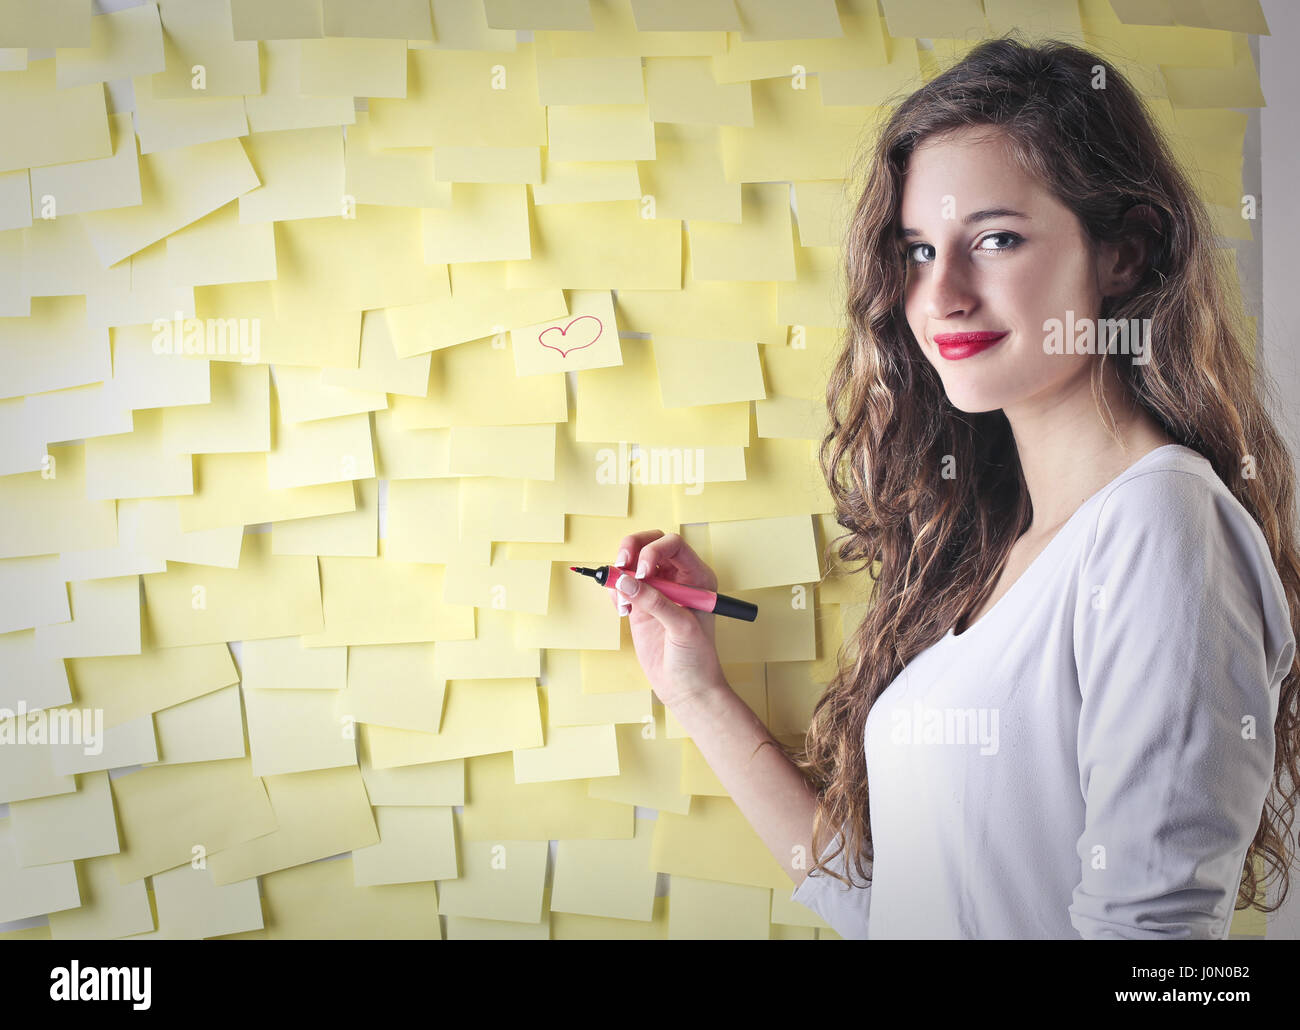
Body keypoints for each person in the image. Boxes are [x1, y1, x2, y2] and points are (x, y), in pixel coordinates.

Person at [607, 35, 1300, 939]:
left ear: (1124, 255)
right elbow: (885, 905)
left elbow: (1155, 953)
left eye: (997, 239)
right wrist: (697, 691)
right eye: (920, 251)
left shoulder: (1163, 525)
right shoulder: (997, 551)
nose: (944, 295)